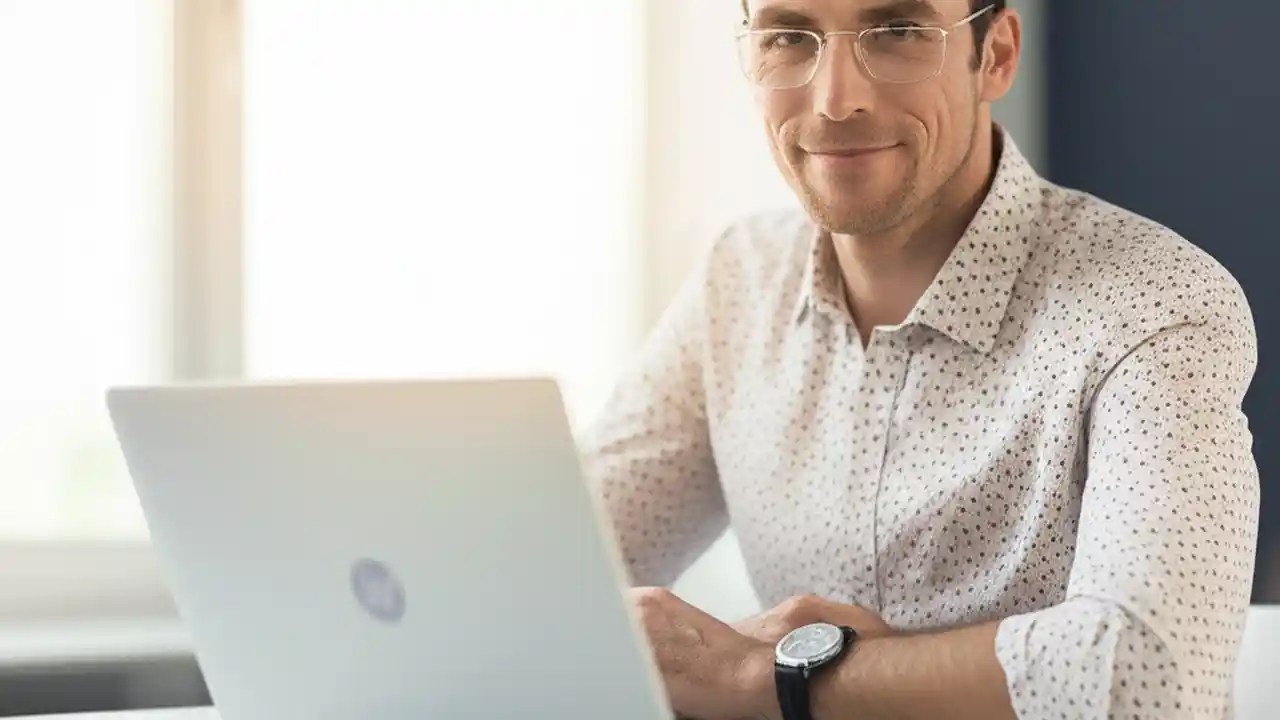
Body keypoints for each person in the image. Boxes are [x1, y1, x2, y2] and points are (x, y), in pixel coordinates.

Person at [580, 0, 1260, 718]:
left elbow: (1150, 680)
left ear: (994, 54)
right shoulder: (738, 283)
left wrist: (764, 679)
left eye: (898, 32)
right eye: (790, 36)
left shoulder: (1153, 304)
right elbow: (541, 575)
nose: (836, 99)